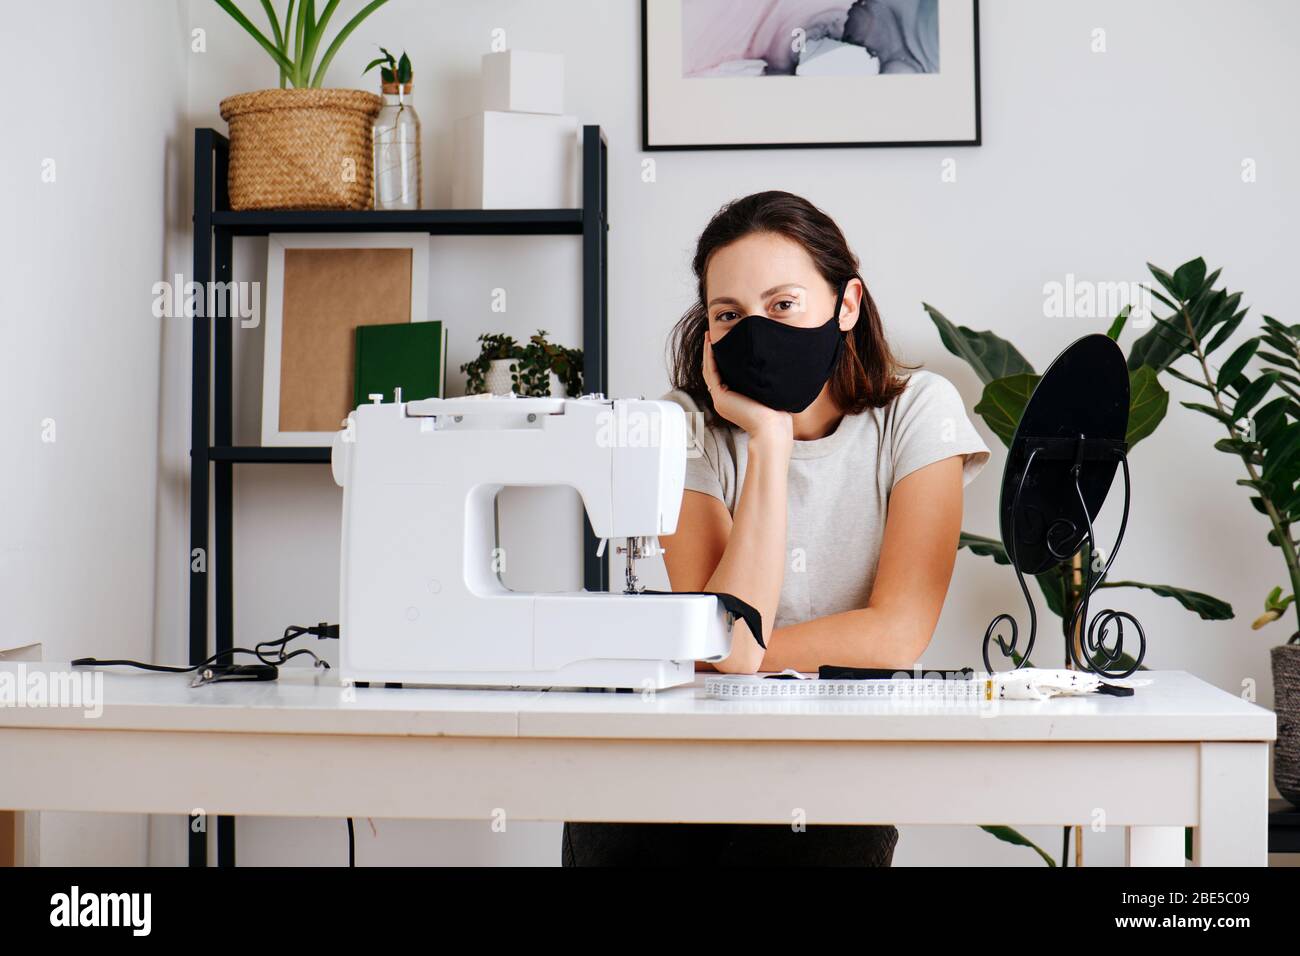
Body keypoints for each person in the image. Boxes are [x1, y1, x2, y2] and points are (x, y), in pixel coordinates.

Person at [561, 190, 990, 866]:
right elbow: (721, 634)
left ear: (845, 305)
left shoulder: (919, 412)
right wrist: (769, 442)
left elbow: (896, 632)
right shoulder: (683, 427)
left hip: (829, 776)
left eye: (783, 304)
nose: (757, 330)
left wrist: (746, 655)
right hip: (667, 774)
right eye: (729, 314)